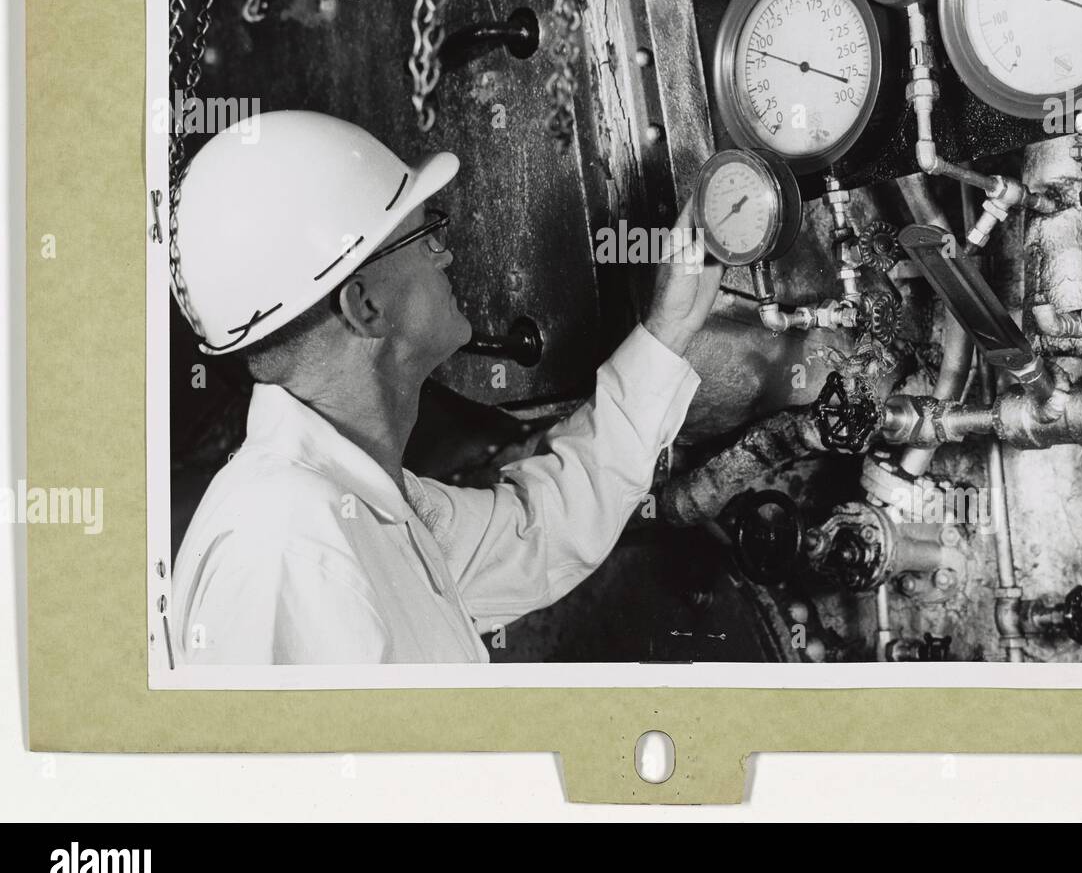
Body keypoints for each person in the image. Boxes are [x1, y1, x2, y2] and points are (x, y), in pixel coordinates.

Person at [168, 110, 721, 664]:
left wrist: (666, 330)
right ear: (365, 306)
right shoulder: (289, 549)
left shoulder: (362, 503)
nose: (447, 253)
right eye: (426, 233)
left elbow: (537, 535)